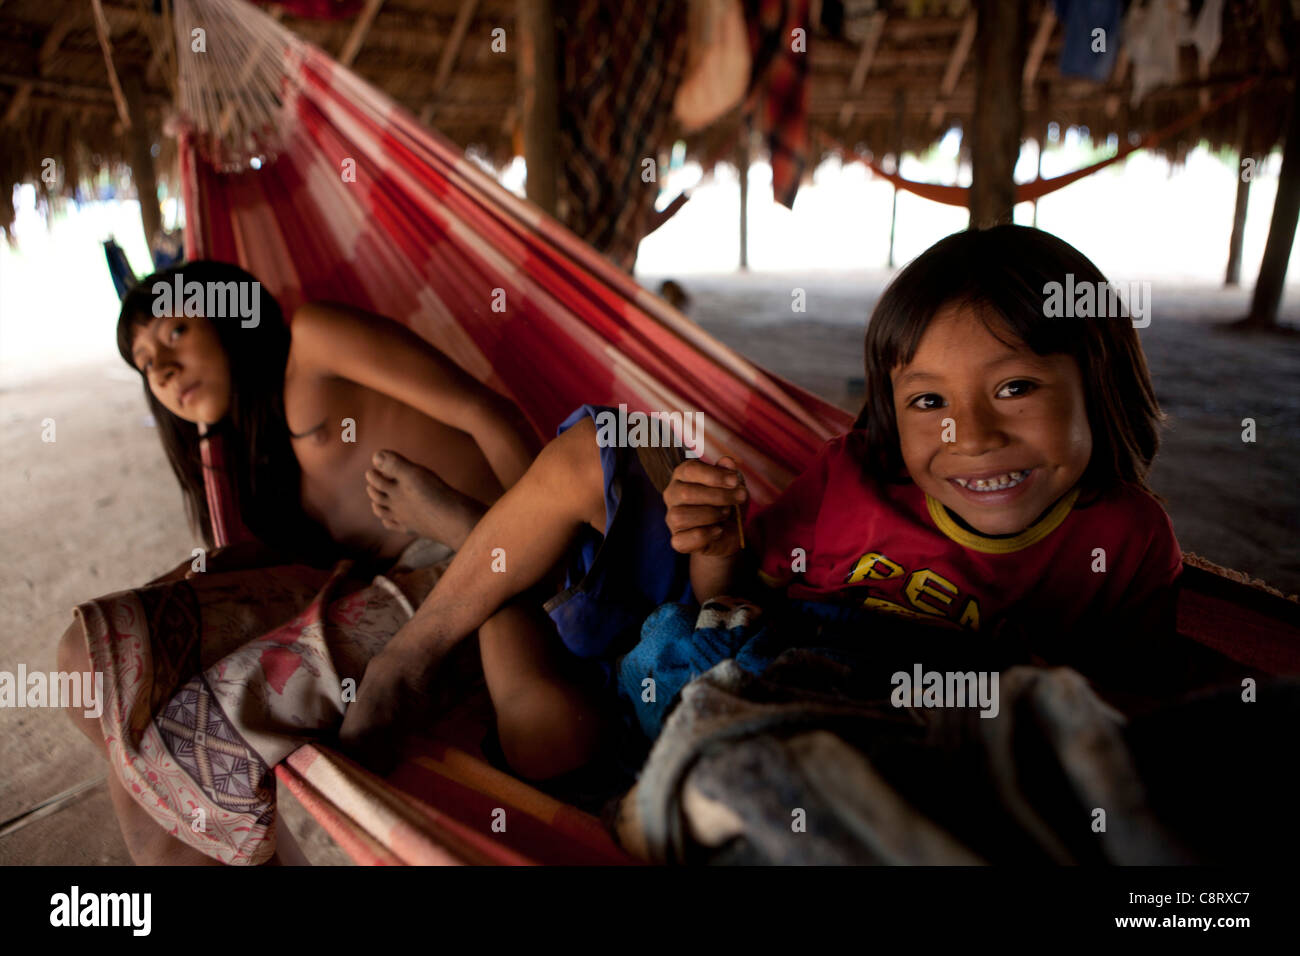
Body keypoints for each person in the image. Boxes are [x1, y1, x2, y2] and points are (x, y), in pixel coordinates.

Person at [338, 225, 1183, 763]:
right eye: (929, 402)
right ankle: (410, 655)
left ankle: (482, 549)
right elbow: (731, 601)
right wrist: (712, 542)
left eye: (1015, 390)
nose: (971, 436)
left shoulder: (1126, 538)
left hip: (810, 732)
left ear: (1098, 383)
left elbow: (1120, 711)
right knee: (605, 441)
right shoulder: (857, 478)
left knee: (551, 744)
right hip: (716, 644)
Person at [56, 259, 597, 865]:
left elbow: (487, 413)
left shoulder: (311, 343)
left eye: (175, 331)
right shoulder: (254, 451)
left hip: (476, 557)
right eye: (144, 361)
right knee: (90, 665)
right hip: (373, 581)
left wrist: (554, 572)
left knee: (181, 741)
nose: (161, 367)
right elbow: (321, 556)